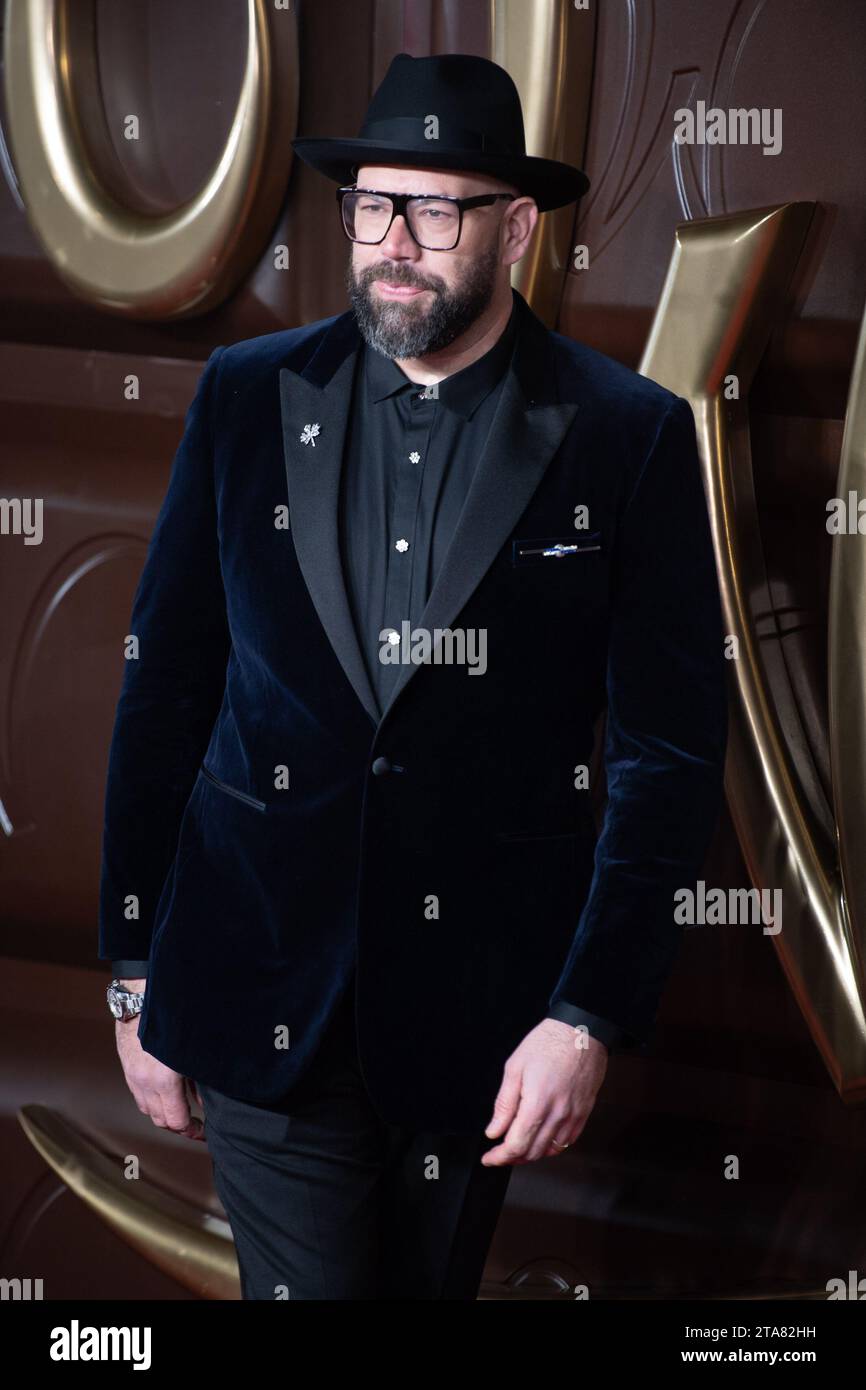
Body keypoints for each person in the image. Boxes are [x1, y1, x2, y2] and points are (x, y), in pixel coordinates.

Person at [99, 52, 728, 1300]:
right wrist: (131, 972)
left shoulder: (627, 435)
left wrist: (587, 1016)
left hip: (482, 1027)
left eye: (435, 212)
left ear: (515, 228)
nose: (394, 241)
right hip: (254, 986)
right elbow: (163, 690)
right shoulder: (242, 397)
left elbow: (667, 755)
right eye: (374, 205)